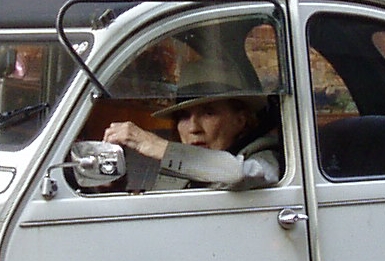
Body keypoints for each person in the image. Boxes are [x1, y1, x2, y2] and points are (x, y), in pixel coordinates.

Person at [103, 60, 283, 190]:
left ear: (240, 120)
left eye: (208, 113)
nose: (193, 128)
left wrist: (159, 147)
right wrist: (112, 185)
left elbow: (241, 175)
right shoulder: (178, 164)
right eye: (184, 116)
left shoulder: (264, 154)